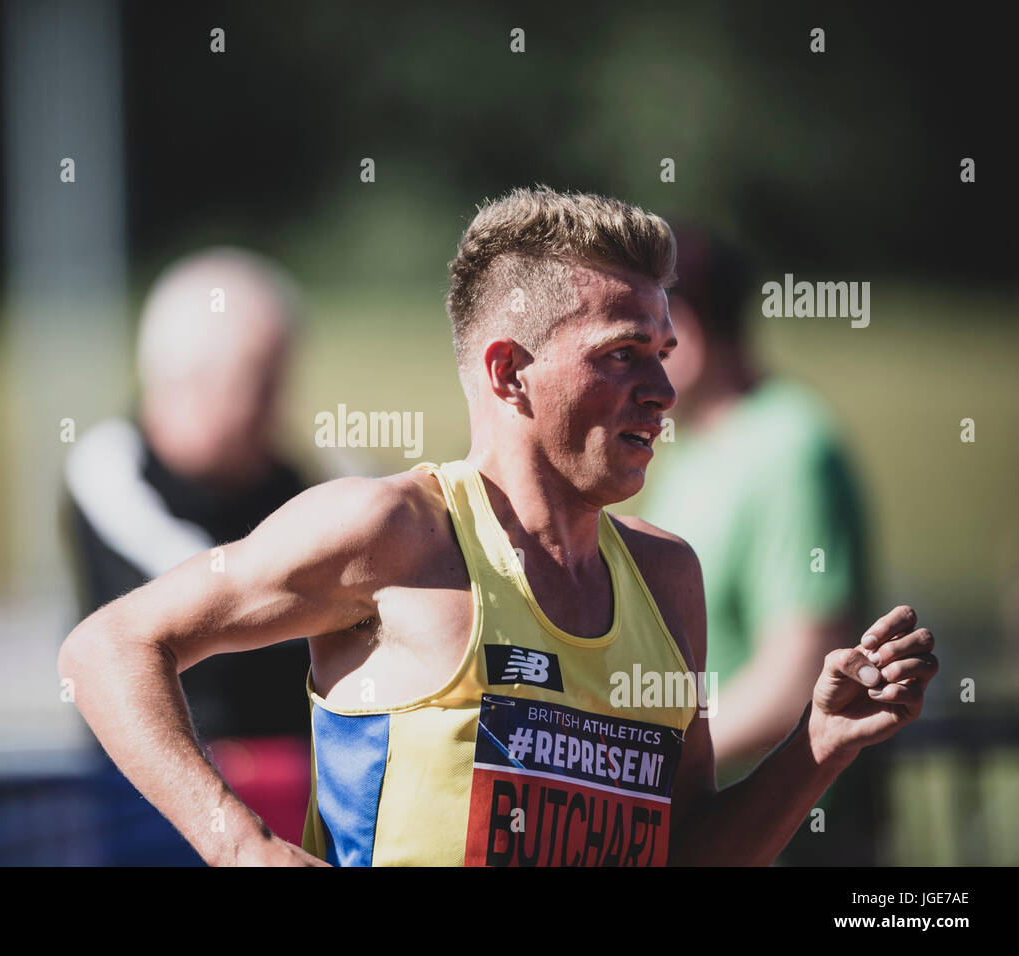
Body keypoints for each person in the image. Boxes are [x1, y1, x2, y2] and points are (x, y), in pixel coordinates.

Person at [58, 187, 938, 866]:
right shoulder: (394, 533)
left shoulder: (669, 580)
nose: (664, 393)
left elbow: (689, 854)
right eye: (622, 355)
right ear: (510, 371)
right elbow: (109, 647)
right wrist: (237, 842)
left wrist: (816, 747)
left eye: (664, 355)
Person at [638, 226, 876, 863]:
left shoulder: (792, 450)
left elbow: (798, 678)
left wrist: (642, 763)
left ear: (682, 320)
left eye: (642, 328)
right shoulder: (689, 450)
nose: (635, 357)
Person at [64, 247, 314, 847]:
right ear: (185, 380)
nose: (276, 407)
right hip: (151, 799)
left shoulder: (307, 480)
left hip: (293, 797)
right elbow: (195, 585)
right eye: (259, 383)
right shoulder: (109, 468)